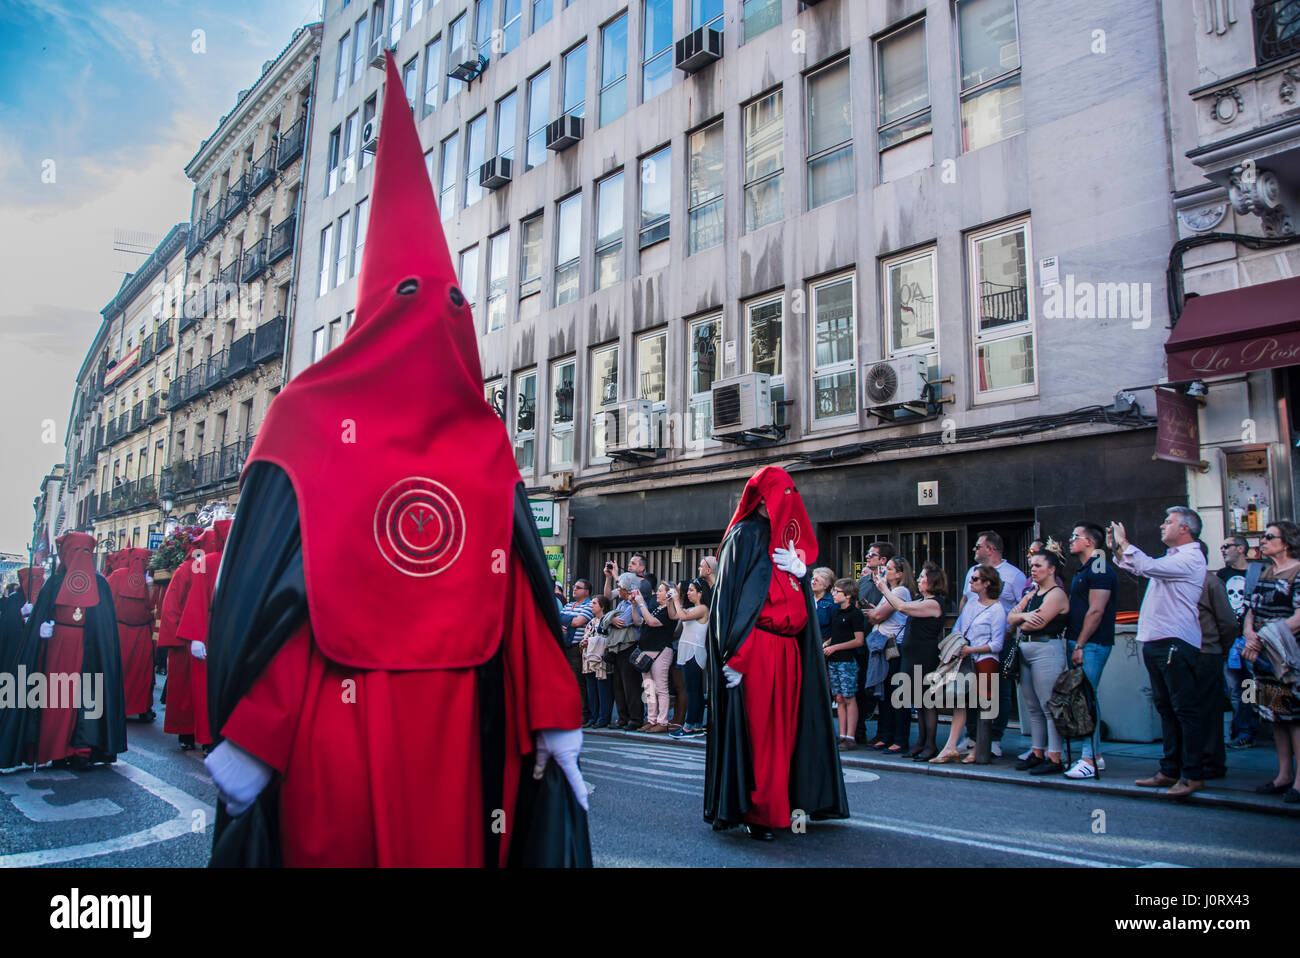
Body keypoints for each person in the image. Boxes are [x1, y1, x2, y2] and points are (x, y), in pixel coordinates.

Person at [199, 56, 587, 868]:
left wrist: (553, 714)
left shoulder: (475, 438)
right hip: (345, 724)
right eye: (428, 304)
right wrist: (260, 734)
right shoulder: (308, 419)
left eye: (456, 306)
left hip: (453, 724)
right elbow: (289, 609)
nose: (444, 325)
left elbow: (516, 596)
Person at [704, 465, 848, 841]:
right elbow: (735, 604)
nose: (787, 500)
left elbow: (796, 598)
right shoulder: (745, 535)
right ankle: (759, 811)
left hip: (791, 652)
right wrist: (735, 656)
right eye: (780, 493)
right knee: (760, 735)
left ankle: (783, 806)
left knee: (787, 733)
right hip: (759, 651)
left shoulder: (786, 541)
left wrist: (802, 572)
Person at [0, 533, 127, 771]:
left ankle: (82, 749)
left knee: (88, 699)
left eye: (85, 552)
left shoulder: (100, 584)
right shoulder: (55, 583)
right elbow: (40, 615)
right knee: (55, 700)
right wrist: (41, 628)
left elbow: (105, 627)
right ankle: (56, 750)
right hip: (57, 651)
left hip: (90, 653)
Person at [1112, 508, 1210, 798]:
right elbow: (1138, 567)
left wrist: (1125, 543)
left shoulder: (1191, 557)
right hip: (1156, 640)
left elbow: (1147, 566)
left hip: (1175, 641)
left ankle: (1192, 774)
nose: (1161, 525)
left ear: (1185, 529)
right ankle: (1170, 770)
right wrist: (1119, 548)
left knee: (1183, 710)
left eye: (1168, 522)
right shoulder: (1171, 558)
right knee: (1166, 709)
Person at [1243, 521, 1300, 804]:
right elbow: (1250, 608)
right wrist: (1249, 634)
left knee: (1295, 717)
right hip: (1264, 654)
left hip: (1289, 655)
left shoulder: (1298, 572)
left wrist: (1264, 638)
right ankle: (1284, 775)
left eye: (1269, 537)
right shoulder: (1263, 571)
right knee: (1274, 714)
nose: (1263, 541)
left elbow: (1299, 617)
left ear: (1286, 542)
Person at [1007, 546, 1071, 776]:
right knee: (1032, 706)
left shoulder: (1056, 594)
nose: (1033, 569)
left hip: (1046, 648)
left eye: (1038, 566)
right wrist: (1023, 615)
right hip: (1027, 648)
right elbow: (1012, 617)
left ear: (1051, 569)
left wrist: (1020, 619)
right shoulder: (1032, 594)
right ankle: (1038, 751)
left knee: (1048, 704)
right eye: (1032, 565)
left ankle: (1055, 756)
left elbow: (1036, 623)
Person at [932, 564, 1005, 764]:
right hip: (965, 658)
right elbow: (959, 627)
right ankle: (951, 746)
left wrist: (972, 650)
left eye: (975, 579)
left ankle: (979, 749)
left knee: (982, 705)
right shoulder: (972, 603)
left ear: (987, 583)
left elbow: (997, 644)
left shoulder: (997, 609)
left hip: (984, 660)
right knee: (960, 702)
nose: (970, 582)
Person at [1062, 522, 1118, 778]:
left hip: (1092, 644)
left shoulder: (1099, 567)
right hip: (1081, 643)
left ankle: (1089, 759)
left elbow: (1096, 611)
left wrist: (1081, 643)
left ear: (1090, 542)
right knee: (1084, 698)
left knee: (1086, 699)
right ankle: (1094, 755)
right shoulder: (1084, 569)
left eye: (1076, 536)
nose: (1071, 539)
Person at [877, 561, 947, 761]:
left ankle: (930, 744)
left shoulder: (935, 603)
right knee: (918, 701)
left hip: (924, 656)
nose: (919, 580)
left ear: (932, 581)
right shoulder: (920, 599)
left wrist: (884, 589)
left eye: (923, 577)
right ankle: (921, 741)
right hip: (911, 655)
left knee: (927, 701)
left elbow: (901, 607)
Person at [157, 534, 208, 750]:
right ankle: (186, 732)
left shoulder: (206, 565)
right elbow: (171, 606)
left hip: (205, 636)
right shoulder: (187, 569)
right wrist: (181, 635)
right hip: (187, 639)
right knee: (185, 690)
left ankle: (201, 733)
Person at [1195, 544, 1238, 781]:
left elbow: (1228, 623)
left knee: (1209, 710)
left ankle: (1212, 762)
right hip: (1186, 652)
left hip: (1207, 651)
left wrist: (1219, 648)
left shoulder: (1211, 582)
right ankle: (1194, 758)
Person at [866, 557, 915, 752]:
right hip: (883, 644)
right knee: (884, 691)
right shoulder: (891, 591)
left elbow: (879, 615)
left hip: (893, 646)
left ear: (900, 573)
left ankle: (898, 738)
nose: (885, 571)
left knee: (894, 692)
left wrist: (874, 612)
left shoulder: (900, 591)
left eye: (889, 568)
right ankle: (885, 734)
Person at [107, 548, 157, 723]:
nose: (139, 563)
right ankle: (114, 705)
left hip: (140, 632)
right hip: (120, 630)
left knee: (142, 673)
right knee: (120, 669)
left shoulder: (150, 580)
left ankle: (142, 707)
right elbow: (107, 599)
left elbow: (153, 606)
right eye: (137, 559)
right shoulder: (119, 575)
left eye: (143, 560)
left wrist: (150, 585)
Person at [1219, 535, 1257, 750]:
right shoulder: (1223, 575)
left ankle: (1248, 728)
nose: (1223, 550)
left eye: (1227, 546)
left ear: (1241, 548)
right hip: (1230, 640)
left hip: (1252, 639)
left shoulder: (1256, 573)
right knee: (1236, 687)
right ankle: (1242, 730)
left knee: (1250, 685)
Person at [823, 579, 866, 750]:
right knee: (839, 698)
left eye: (837, 591)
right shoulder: (836, 612)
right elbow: (839, 634)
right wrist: (829, 643)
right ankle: (842, 734)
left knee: (849, 697)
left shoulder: (854, 614)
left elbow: (858, 640)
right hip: (834, 659)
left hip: (847, 659)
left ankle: (850, 736)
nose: (833, 594)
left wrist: (835, 647)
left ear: (848, 595)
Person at [631, 582, 676, 732]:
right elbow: (639, 621)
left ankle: (662, 722)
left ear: (668, 595)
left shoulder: (669, 612)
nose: (657, 593)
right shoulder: (656, 608)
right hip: (647, 651)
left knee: (661, 688)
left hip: (661, 651)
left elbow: (651, 622)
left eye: (661, 591)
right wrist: (634, 606)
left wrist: (641, 603)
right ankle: (651, 719)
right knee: (649, 688)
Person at [669, 578, 711, 738]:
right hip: (687, 651)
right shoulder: (692, 608)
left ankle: (688, 726)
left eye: (692, 590)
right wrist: (670, 602)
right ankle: (697, 726)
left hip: (694, 652)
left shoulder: (702, 608)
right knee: (695, 691)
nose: (688, 593)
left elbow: (683, 617)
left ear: (701, 593)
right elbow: (674, 615)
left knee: (693, 691)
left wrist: (676, 599)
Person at [608, 571, 646, 731]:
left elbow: (624, 620)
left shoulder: (634, 602)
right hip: (617, 647)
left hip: (628, 646)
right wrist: (610, 618)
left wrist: (609, 618)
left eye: (620, 587)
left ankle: (635, 718)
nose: (618, 590)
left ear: (627, 588)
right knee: (618, 685)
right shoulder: (621, 603)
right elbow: (610, 617)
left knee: (630, 685)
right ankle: (623, 717)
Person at [559, 579, 594, 723]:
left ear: (586, 591)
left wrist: (564, 620)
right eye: (574, 587)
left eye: (578, 588)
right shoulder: (568, 605)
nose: (574, 589)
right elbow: (558, 617)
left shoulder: (589, 606)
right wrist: (566, 620)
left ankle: (582, 714)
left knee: (578, 682)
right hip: (564, 647)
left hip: (576, 649)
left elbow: (577, 622)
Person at [580, 594, 614, 728]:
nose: (591, 606)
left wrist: (592, 641)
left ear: (602, 606)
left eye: (594, 603)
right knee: (591, 691)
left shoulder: (607, 621)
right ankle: (593, 716)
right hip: (588, 660)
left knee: (603, 690)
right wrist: (584, 642)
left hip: (601, 661)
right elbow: (585, 636)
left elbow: (608, 639)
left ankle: (603, 718)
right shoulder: (590, 622)